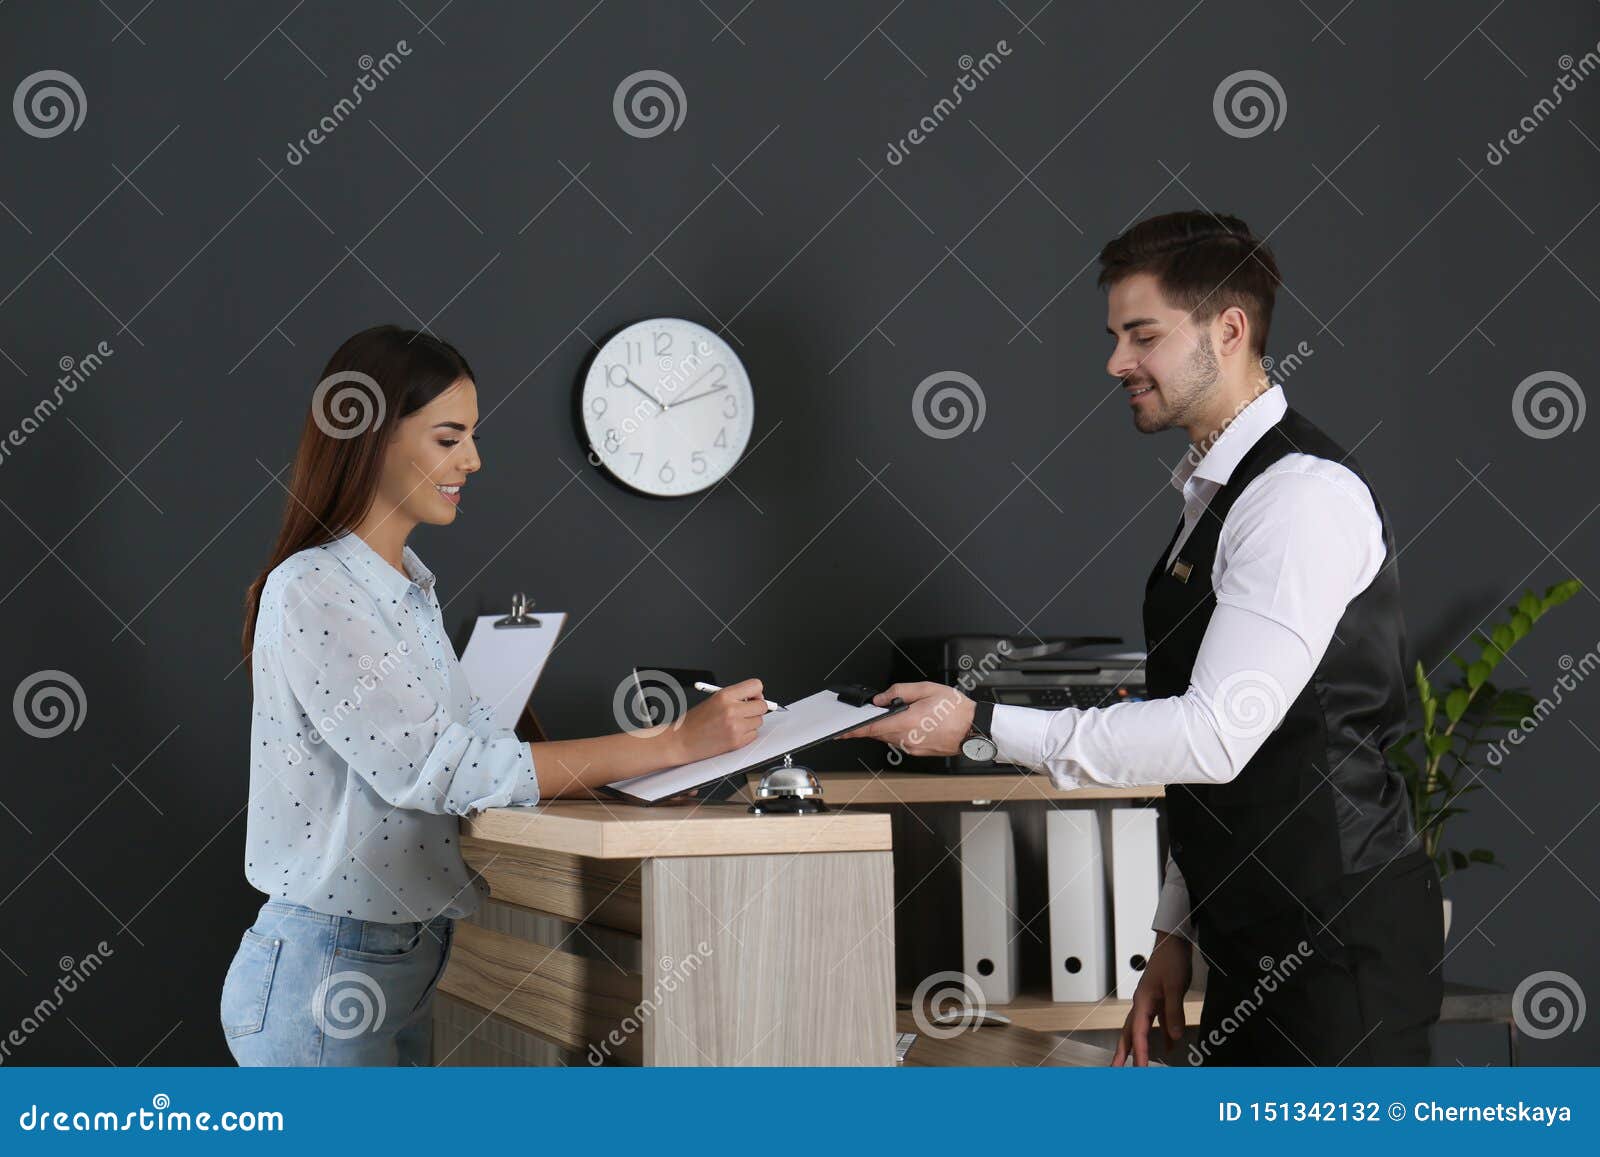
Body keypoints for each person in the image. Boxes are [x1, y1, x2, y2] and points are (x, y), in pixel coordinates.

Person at [847, 212, 1443, 1067]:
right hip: (1253, 933)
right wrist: (1175, 933)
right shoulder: (1212, 498)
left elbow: (1212, 734)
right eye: (1116, 335)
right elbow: (1203, 762)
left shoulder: (1298, 496)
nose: (1116, 362)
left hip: (1337, 939)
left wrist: (982, 722)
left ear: (1229, 330)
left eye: (1143, 334)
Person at [221, 324, 767, 1065]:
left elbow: (490, 754)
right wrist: (671, 740)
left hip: (399, 962)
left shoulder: (407, 593)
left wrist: (642, 778)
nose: (472, 460)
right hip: (332, 970)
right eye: (449, 438)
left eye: (471, 437)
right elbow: (441, 770)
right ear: (371, 437)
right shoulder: (316, 588)